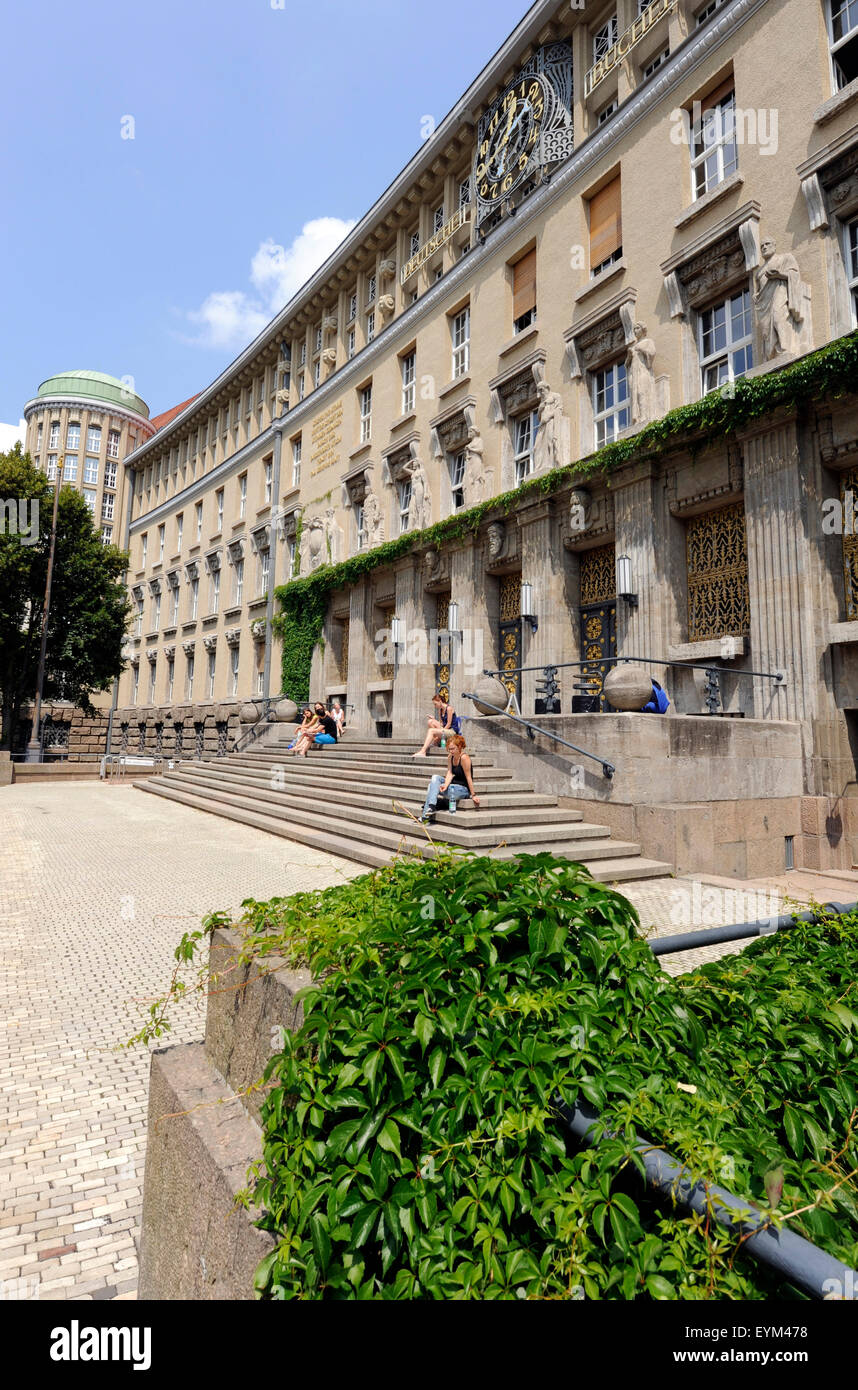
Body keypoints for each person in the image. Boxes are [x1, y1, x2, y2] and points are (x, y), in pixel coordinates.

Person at [420, 734, 480, 823]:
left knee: (431, 787)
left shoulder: (464, 758)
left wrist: (473, 795)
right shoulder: (450, 757)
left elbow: (469, 777)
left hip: (463, 789)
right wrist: (445, 785)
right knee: (435, 778)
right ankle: (431, 806)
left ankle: (425, 815)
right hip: (452, 785)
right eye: (449, 749)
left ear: (459, 746)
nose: (451, 751)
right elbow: (449, 773)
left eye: (453, 749)